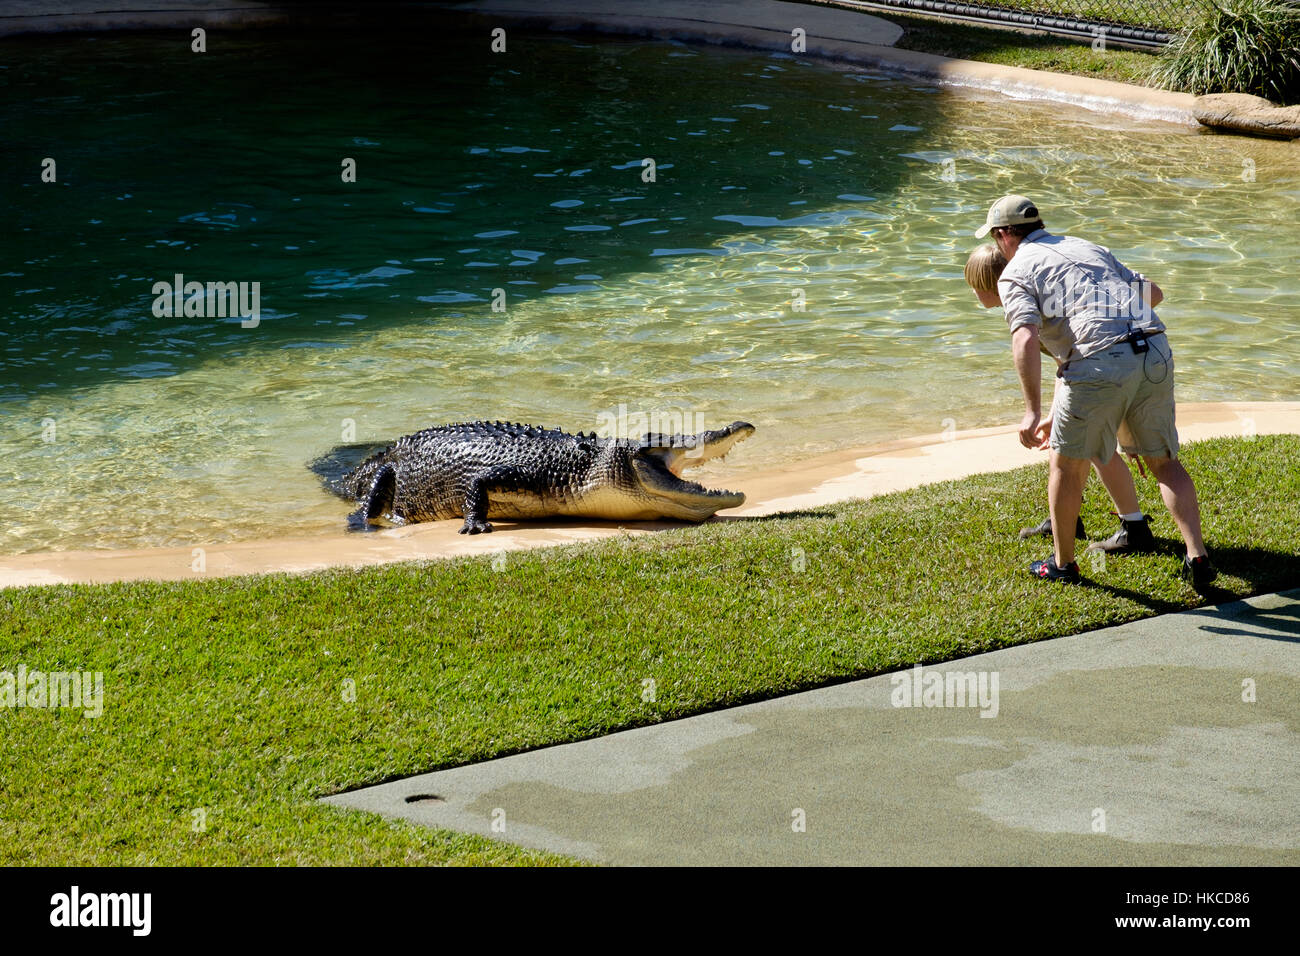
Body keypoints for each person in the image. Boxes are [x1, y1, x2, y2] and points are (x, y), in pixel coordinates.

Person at [972, 194, 1216, 587]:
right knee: (1164, 462)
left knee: (1066, 465)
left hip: (1101, 361)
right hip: (1154, 347)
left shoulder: (1016, 271)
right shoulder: (1085, 246)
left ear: (1003, 236)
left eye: (997, 238)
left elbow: (1024, 339)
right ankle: (1197, 558)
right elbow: (1152, 294)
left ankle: (1063, 565)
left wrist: (1032, 412)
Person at [964, 243, 1154, 552]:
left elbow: (1064, 357)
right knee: (1066, 446)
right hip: (1105, 365)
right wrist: (1055, 412)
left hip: (1097, 371)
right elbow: (1061, 361)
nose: (972, 293)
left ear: (991, 285)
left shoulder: (1026, 306)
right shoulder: (1031, 296)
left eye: (975, 285)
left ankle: (1134, 527)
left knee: (1095, 450)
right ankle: (1066, 520)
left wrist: (1040, 412)